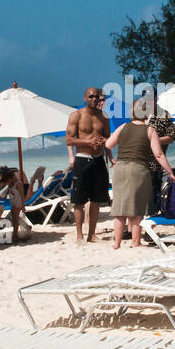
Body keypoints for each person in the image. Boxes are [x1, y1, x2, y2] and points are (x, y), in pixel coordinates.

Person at [105, 97, 175, 248]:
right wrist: (170, 172)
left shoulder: (123, 127)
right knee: (137, 207)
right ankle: (135, 242)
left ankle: (117, 243)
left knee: (119, 208)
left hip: (119, 168)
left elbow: (108, 144)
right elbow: (159, 155)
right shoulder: (149, 130)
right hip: (138, 168)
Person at [66, 86, 111, 243]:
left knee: (96, 200)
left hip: (98, 159)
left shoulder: (104, 117)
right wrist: (88, 141)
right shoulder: (76, 115)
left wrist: (104, 143)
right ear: (85, 98)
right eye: (91, 96)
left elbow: (108, 138)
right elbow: (69, 140)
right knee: (79, 200)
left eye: (97, 97)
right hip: (82, 159)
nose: (94, 99)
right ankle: (79, 235)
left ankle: (92, 234)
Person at [146, 111, 175, 216]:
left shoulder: (164, 116)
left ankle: (150, 224)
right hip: (138, 163)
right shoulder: (138, 115)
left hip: (155, 163)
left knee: (153, 197)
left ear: (157, 98)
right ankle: (131, 229)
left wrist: (154, 140)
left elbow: (171, 137)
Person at [0, 167, 32, 241]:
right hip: (13, 203)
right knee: (14, 218)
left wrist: (23, 205)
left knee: (15, 220)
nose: (7, 183)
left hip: (18, 203)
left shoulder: (18, 184)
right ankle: (26, 227)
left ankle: (15, 235)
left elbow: (22, 195)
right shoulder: (11, 184)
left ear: (11, 177)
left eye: (7, 181)